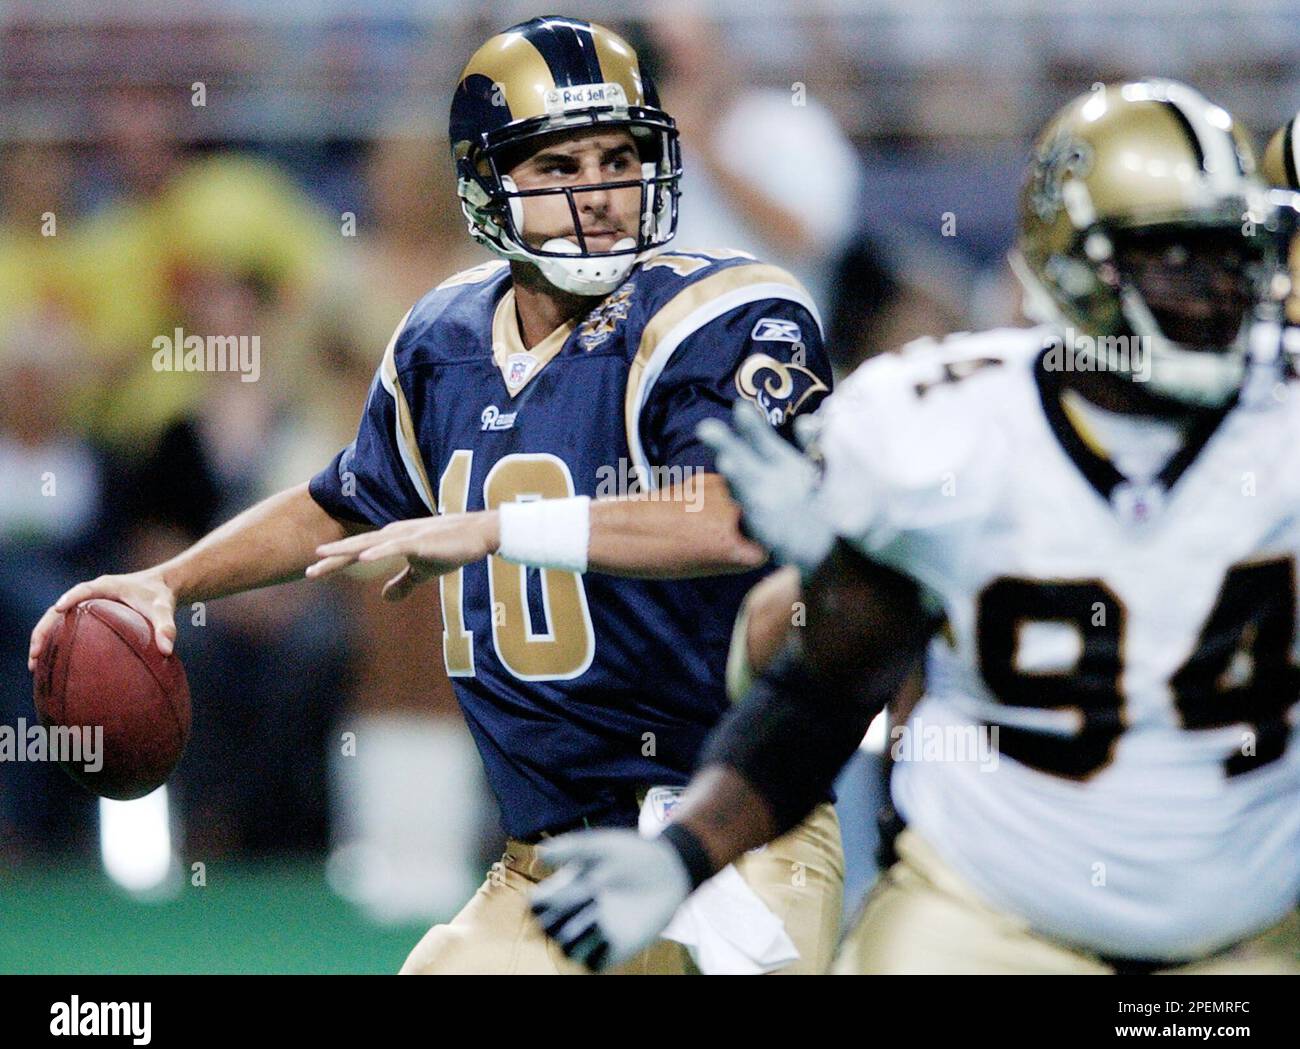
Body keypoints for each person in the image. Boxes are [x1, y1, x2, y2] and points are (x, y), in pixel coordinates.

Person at [29, 15, 841, 975]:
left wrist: (501, 526)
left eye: (617, 157)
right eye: (558, 167)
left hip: (728, 835)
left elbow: (729, 520)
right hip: (546, 863)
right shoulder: (445, 336)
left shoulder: (726, 314)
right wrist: (169, 582)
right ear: (487, 186)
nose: (599, 195)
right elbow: (342, 500)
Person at [531, 78, 1300, 975]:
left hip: (1243, 943)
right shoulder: (948, 427)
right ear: (1078, 267)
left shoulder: (1278, 422)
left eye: (1231, 255)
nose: (1218, 290)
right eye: (1176, 256)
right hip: (988, 926)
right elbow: (821, 692)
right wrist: (683, 853)